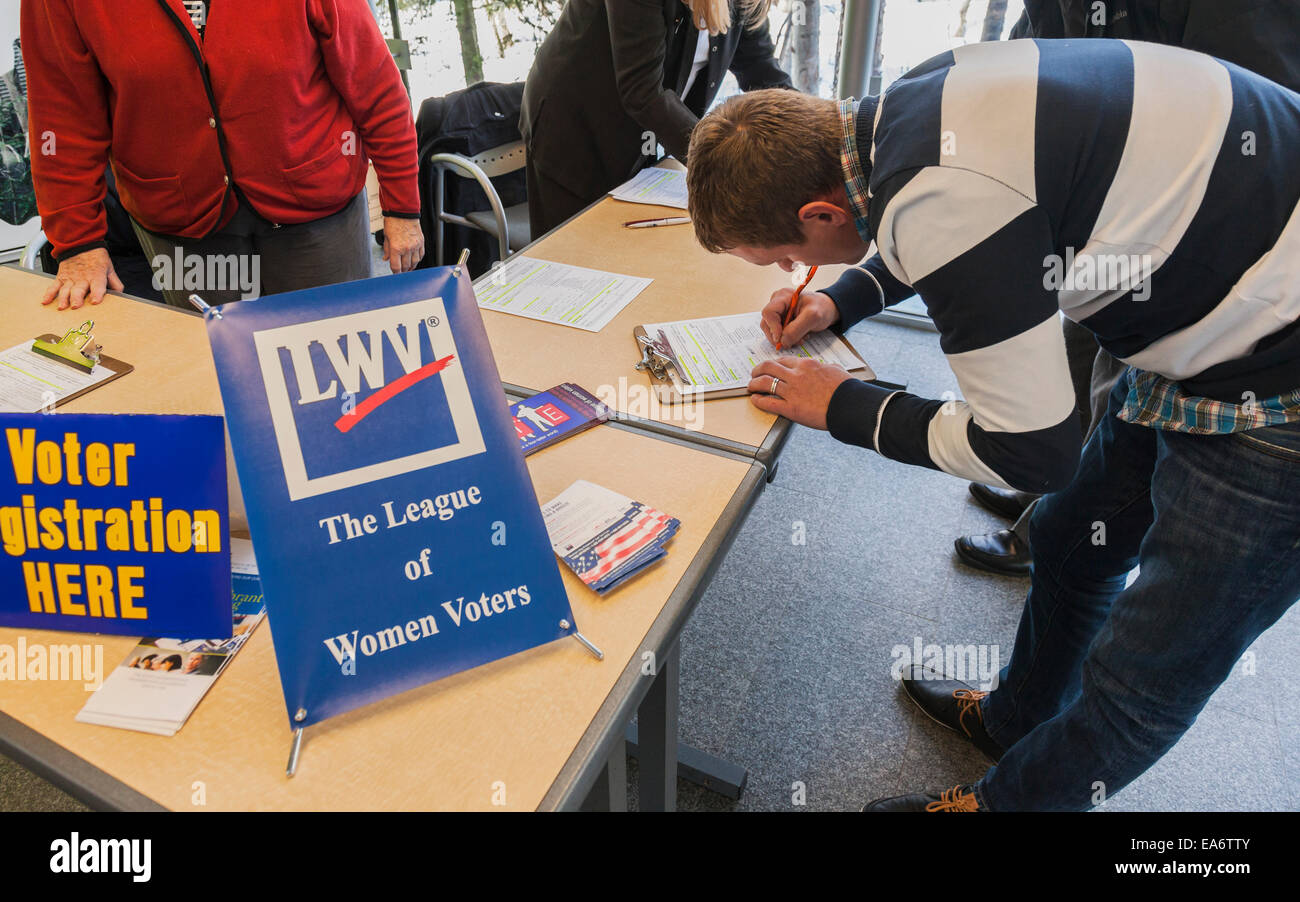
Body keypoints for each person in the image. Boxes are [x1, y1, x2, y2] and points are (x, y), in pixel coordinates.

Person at [685, 41, 1300, 810]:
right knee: (1071, 538)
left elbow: (1031, 452)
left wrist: (841, 405)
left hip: (1277, 382)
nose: (787, 273)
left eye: (783, 257)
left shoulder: (939, 195)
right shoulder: (904, 108)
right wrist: (842, 299)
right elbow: (964, 218)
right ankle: (1017, 717)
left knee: (1141, 684)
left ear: (819, 212)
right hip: (1223, 290)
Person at [953, 0, 1300, 576]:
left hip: (1198, 226)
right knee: (1077, 340)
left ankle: (1059, 525)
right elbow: (1021, 55)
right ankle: (1049, 492)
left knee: (1119, 390)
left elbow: (1253, 111)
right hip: (1109, 199)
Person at [23, 0, 424, 311]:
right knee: (212, 365)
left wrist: (402, 207)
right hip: (179, 217)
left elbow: (376, 87)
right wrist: (78, 245)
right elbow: (61, 119)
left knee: (334, 357)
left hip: (317, 205)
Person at [520, 0, 791, 237]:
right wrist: (720, 162)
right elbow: (643, 92)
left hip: (636, 136)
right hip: (571, 130)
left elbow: (763, 72)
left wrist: (821, 133)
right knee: (570, 265)